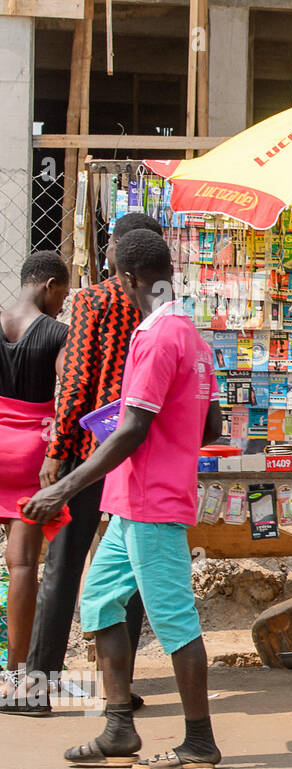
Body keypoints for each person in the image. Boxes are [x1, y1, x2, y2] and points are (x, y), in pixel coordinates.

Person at [23, 229, 223, 769]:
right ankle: (118, 728)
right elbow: (209, 422)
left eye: (116, 273)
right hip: (132, 501)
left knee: (175, 619)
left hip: (151, 503)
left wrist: (64, 485)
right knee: (101, 602)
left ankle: (199, 740)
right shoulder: (191, 336)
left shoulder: (158, 337)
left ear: (131, 278)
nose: (115, 282)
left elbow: (134, 427)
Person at [2, 214, 162, 716]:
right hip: (138, 448)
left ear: (117, 250)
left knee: (63, 566)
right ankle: (120, 687)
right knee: (131, 566)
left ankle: (37, 685)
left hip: (88, 449)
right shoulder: (165, 308)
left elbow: (74, 381)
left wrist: (58, 450)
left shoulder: (92, 300)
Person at [0, 252, 70, 688]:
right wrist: (58, 453)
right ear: (48, 285)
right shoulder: (58, 333)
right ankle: (16, 670)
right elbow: (70, 393)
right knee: (23, 564)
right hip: (33, 452)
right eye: (61, 293)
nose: (62, 302)